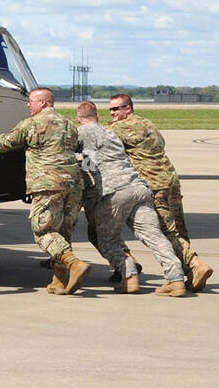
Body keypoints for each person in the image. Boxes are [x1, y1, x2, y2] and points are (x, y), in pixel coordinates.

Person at [75, 102, 188, 296]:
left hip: (114, 191)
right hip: (138, 187)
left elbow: (89, 164)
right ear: (97, 116)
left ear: (79, 119)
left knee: (107, 239)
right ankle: (176, 278)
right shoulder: (110, 132)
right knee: (153, 235)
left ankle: (129, 277)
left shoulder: (85, 132)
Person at [0, 88, 89, 294]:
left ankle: (74, 263)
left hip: (48, 184)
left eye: (31, 101)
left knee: (43, 231)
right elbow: (76, 146)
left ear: (43, 103)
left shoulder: (32, 124)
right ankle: (59, 281)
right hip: (74, 184)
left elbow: (6, 143)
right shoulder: (69, 124)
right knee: (63, 231)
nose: (28, 105)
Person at [108, 93, 213, 291]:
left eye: (116, 109)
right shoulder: (148, 124)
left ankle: (196, 264)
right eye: (111, 110)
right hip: (171, 179)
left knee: (166, 231)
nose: (113, 113)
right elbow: (161, 143)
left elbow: (100, 138)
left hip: (154, 184)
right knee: (180, 229)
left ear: (128, 109)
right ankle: (189, 273)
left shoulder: (119, 128)